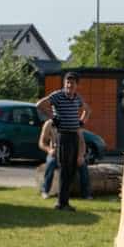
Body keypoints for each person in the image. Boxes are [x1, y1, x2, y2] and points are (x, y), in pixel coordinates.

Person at [36, 72, 90, 211]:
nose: (69, 85)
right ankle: (61, 203)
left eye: (72, 83)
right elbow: (40, 104)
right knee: (65, 170)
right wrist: (53, 118)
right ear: (64, 84)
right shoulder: (57, 96)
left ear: (77, 85)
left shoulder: (77, 98)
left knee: (71, 171)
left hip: (74, 136)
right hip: (63, 136)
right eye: (67, 83)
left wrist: (81, 123)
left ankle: (64, 202)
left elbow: (87, 110)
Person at [38, 118, 90, 200]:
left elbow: (82, 142)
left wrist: (80, 156)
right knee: (50, 163)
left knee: (83, 166)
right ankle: (45, 191)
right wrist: (49, 150)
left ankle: (86, 194)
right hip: (56, 153)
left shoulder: (72, 122)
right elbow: (41, 143)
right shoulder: (49, 124)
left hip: (73, 152)